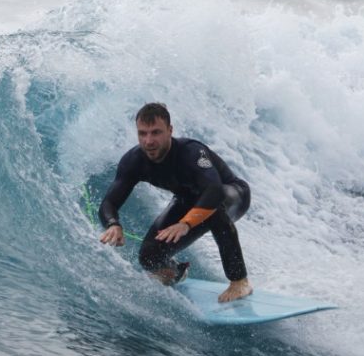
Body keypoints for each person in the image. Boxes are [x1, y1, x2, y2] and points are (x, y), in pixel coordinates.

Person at [97, 103, 252, 303]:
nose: (149, 141)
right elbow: (109, 202)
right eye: (142, 134)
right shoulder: (134, 161)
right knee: (149, 256)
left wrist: (185, 223)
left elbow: (214, 191)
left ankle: (240, 281)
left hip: (231, 193)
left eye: (156, 133)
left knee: (214, 209)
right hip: (187, 199)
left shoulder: (192, 152)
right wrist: (113, 224)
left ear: (170, 130)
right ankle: (174, 272)